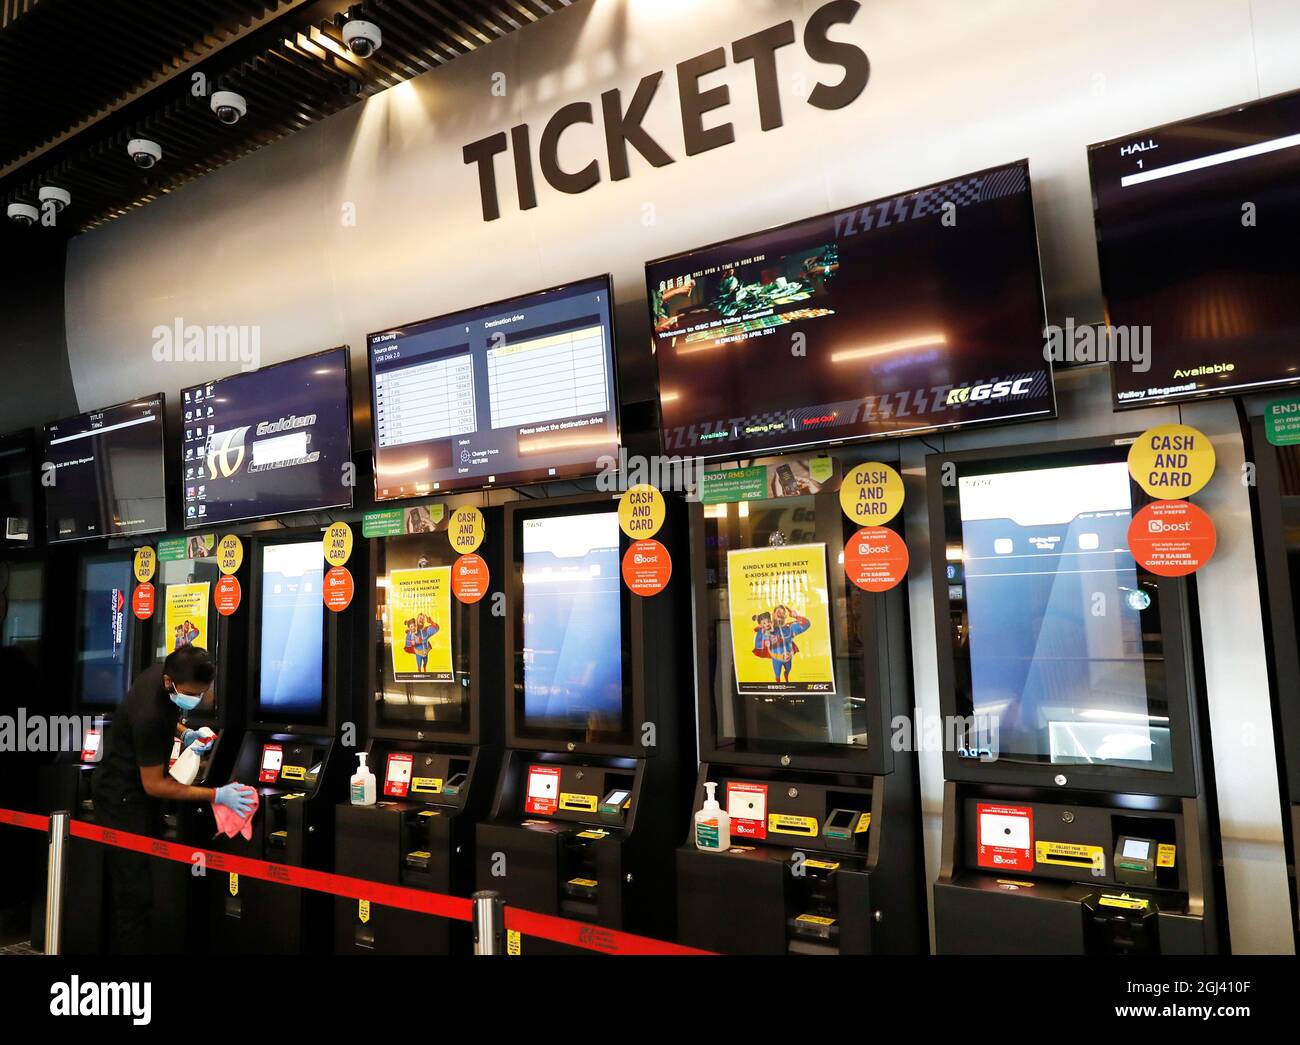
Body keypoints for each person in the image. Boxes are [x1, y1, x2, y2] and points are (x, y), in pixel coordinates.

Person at [91, 644, 255, 954]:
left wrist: (184, 732)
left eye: (202, 692)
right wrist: (215, 794)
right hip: (123, 802)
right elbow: (155, 785)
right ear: (171, 683)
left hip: (136, 795)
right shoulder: (150, 715)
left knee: (148, 891)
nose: (196, 699)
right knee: (133, 897)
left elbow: (167, 717)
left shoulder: (159, 675)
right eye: (192, 693)